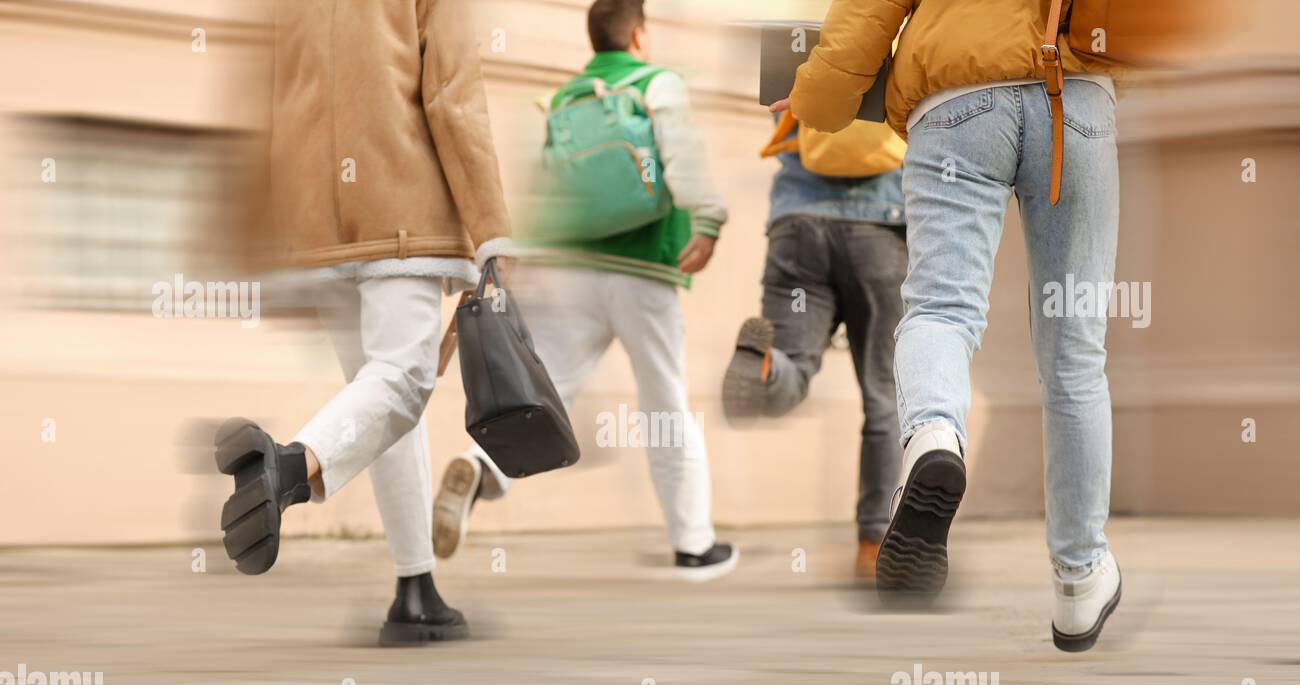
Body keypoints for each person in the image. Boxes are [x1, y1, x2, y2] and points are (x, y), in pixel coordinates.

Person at [783, 0, 1123, 649]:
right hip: (1076, 98)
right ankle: (1079, 580)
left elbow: (866, 12)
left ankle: (934, 439)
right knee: (1075, 349)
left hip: (956, 102)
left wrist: (815, 101)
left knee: (941, 306)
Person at [216, 0, 514, 645]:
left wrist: (256, 244)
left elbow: (262, 100)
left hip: (316, 228)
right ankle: (288, 466)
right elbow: (453, 95)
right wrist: (493, 232)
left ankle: (416, 591)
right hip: (400, 213)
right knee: (402, 382)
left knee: (376, 403)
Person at [432, 0, 738, 582]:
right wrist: (708, 220)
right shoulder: (656, 83)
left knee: (546, 391)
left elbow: (548, 188)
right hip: (645, 269)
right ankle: (695, 546)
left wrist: (526, 258)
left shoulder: (565, 98)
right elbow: (681, 157)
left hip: (574, 270)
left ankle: (481, 468)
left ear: (594, 38)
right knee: (665, 404)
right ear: (639, 35)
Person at [722, 111, 908, 581]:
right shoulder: (896, 33)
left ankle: (766, 365)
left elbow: (778, 111)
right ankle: (873, 544)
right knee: (885, 395)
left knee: (796, 368)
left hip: (798, 220)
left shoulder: (790, 35)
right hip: (881, 223)